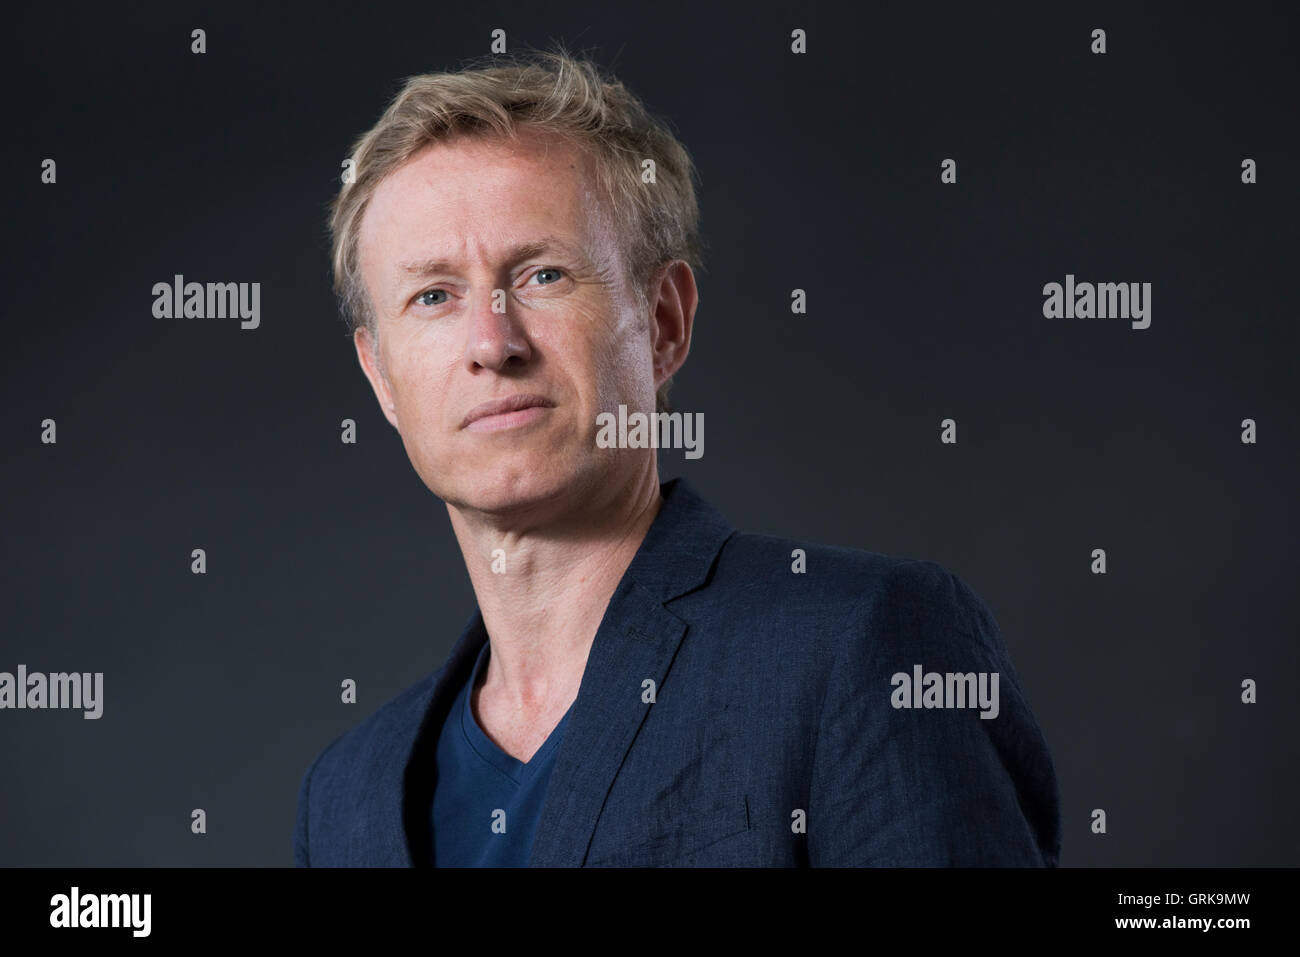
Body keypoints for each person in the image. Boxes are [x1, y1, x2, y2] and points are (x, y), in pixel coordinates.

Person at [294, 48, 1060, 867]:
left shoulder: (862, 647)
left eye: (544, 274)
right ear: (380, 376)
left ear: (663, 322)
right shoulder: (346, 796)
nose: (492, 342)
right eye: (434, 296)